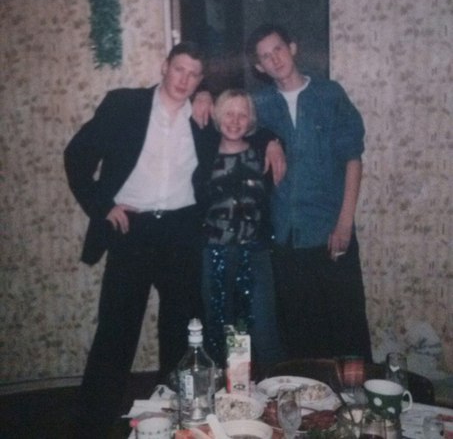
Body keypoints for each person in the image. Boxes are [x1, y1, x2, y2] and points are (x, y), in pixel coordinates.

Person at [64, 41, 284, 438]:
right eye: (179, 70)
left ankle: (179, 422)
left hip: (182, 231)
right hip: (132, 230)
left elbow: (241, 125)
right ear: (165, 67)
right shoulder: (124, 105)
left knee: (183, 333)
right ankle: (90, 425)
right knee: (115, 331)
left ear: (202, 81)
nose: (184, 80)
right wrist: (101, 206)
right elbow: (77, 154)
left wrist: (270, 138)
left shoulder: (203, 116)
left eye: (194, 75)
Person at [245, 23, 372, 363]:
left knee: (348, 332)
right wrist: (267, 138)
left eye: (278, 49)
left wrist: (344, 223)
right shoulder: (259, 105)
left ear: (292, 48)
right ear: (259, 67)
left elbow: (353, 159)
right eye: (265, 57)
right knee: (301, 338)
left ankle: (355, 396)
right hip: (286, 238)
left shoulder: (330, 95)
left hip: (331, 231)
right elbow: (226, 119)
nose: (275, 59)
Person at [193, 89, 285, 375]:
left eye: (242, 115)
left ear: (251, 120)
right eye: (228, 114)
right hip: (212, 255)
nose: (235, 121)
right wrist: (202, 93)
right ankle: (226, 393)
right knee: (219, 329)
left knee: (264, 330)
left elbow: (272, 139)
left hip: (255, 254)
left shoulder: (261, 152)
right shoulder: (203, 152)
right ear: (217, 117)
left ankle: (274, 392)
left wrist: (272, 141)